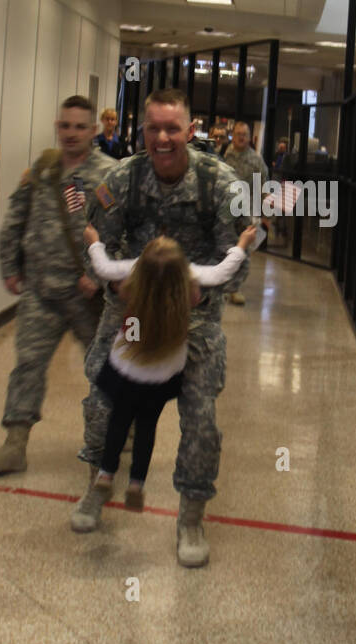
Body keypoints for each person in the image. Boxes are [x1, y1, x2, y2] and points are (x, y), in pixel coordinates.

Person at [72, 88, 249, 567]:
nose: (163, 137)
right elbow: (100, 252)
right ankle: (97, 488)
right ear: (142, 131)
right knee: (102, 398)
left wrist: (197, 293)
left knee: (201, 418)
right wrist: (121, 291)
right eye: (154, 128)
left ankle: (191, 516)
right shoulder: (122, 179)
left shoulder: (221, 183)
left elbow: (238, 262)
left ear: (190, 132)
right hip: (132, 310)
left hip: (194, 315)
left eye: (173, 128)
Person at [83, 222, 256, 509]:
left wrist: (93, 241)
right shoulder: (187, 279)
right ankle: (137, 483)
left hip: (125, 368)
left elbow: (102, 268)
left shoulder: (134, 276)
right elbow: (222, 271)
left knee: (118, 421)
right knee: (147, 427)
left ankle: (105, 474)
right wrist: (242, 244)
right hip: (162, 373)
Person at [0, 96, 110, 475]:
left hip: (86, 294)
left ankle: (113, 439)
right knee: (28, 364)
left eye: (79, 127)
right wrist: (10, 265)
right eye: (65, 126)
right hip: (40, 291)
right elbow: (15, 217)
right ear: (58, 127)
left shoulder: (109, 174)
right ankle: (15, 444)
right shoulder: (42, 170)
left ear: (93, 131)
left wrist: (99, 275)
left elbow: (123, 232)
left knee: (105, 370)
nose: (71, 134)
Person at [223, 121, 268, 303]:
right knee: (223, 249)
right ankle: (222, 286)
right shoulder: (224, 156)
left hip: (246, 212)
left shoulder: (256, 161)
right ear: (233, 135)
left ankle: (235, 289)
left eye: (245, 134)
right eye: (238, 134)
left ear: (250, 138)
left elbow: (264, 186)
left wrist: (266, 215)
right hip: (224, 211)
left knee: (244, 253)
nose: (241, 137)